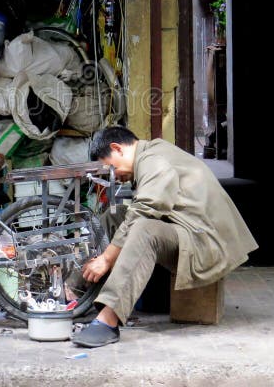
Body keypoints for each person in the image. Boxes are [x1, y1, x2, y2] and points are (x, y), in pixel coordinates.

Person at [72, 126, 258, 348]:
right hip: (187, 231)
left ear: (117, 148)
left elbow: (145, 209)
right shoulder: (152, 154)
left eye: (110, 168)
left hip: (205, 244)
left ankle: (108, 320)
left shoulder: (153, 159)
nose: (114, 176)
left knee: (144, 229)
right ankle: (73, 293)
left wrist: (107, 258)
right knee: (115, 216)